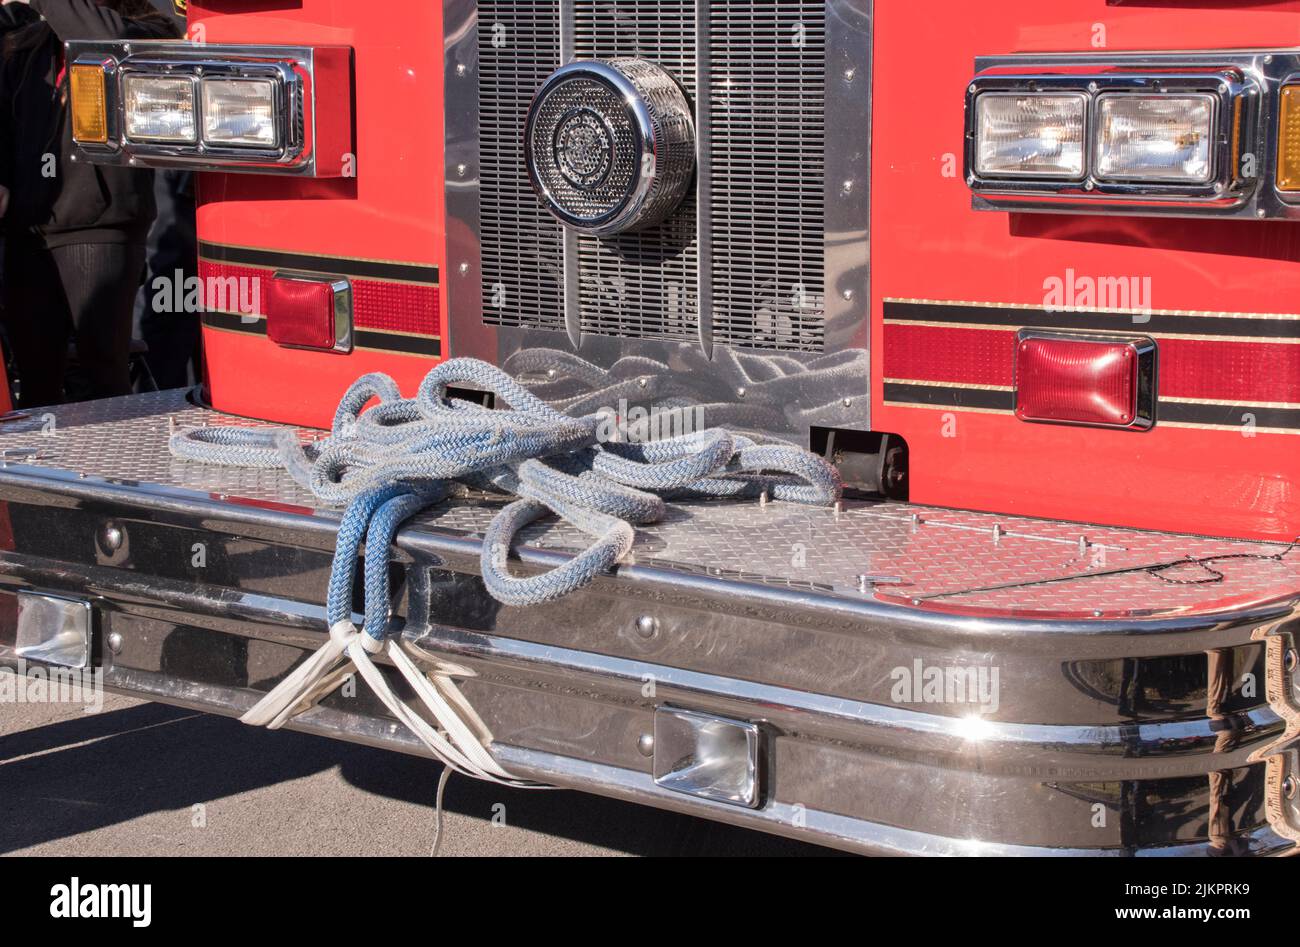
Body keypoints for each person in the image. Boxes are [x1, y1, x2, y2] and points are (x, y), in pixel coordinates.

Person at [0, 0, 179, 407]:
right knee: (35, 375)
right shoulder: (27, 44)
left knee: (103, 368)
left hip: (100, 226)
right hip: (30, 229)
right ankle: (40, 467)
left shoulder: (146, 30)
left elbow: (106, 43)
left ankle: (116, 462)